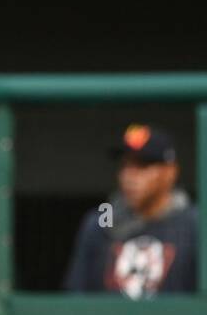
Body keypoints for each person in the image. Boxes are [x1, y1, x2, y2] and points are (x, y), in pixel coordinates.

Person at [63, 125, 198, 299]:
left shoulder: (194, 224)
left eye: (142, 166)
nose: (130, 176)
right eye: (125, 165)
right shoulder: (101, 221)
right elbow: (77, 297)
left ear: (170, 172)